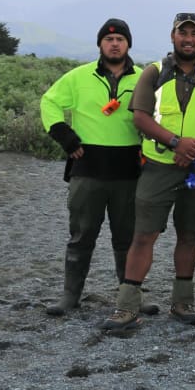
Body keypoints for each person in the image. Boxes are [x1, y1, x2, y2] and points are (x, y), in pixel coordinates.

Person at [101, 13, 195, 331]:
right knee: (144, 235)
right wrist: (176, 143)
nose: (188, 38)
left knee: (188, 235)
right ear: (172, 36)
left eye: (194, 33)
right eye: (182, 33)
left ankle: (183, 302)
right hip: (159, 166)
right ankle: (127, 307)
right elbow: (141, 117)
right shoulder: (154, 73)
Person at [40, 18, 157, 317]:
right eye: (108, 39)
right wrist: (64, 135)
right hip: (87, 170)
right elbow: (49, 102)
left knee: (128, 239)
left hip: (129, 172)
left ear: (128, 43)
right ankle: (70, 296)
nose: (114, 43)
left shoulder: (145, 79)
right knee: (81, 236)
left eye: (120, 39)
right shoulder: (78, 77)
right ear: (100, 44)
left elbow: (160, 113)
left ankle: (131, 297)